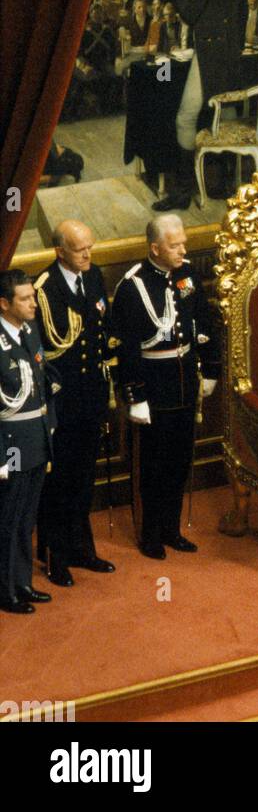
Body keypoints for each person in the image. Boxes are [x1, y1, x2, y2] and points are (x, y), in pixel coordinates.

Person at [110, 215, 220, 558]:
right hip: (153, 385)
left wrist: (212, 367)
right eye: (175, 245)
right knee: (152, 464)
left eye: (183, 243)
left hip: (185, 379)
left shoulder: (186, 274)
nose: (183, 250)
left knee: (178, 459)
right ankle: (150, 534)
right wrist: (135, 395)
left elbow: (204, 319)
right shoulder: (132, 286)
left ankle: (172, 529)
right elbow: (125, 347)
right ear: (155, 248)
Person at [34, 221, 116, 587]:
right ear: (59, 251)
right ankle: (55, 556)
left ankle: (83, 548)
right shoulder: (43, 289)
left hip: (90, 396)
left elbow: (101, 332)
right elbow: (41, 352)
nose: (87, 255)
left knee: (84, 475)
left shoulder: (93, 276)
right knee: (58, 480)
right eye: (80, 249)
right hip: (61, 399)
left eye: (90, 248)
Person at [153, 0, 248, 211]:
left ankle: (182, 193)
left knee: (185, 117)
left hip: (209, 50)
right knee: (224, 114)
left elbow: (192, 15)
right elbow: (240, 12)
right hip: (230, 51)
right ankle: (224, 184)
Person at [0, 270, 56, 614]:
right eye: (25, 298)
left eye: (32, 297)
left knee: (26, 516)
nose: (33, 303)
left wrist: (50, 427)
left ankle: (22, 582)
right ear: (4, 304)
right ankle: (5, 591)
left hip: (35, 438)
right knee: (9, 515)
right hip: (11, 446)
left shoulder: (30, 330)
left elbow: (42, 383)